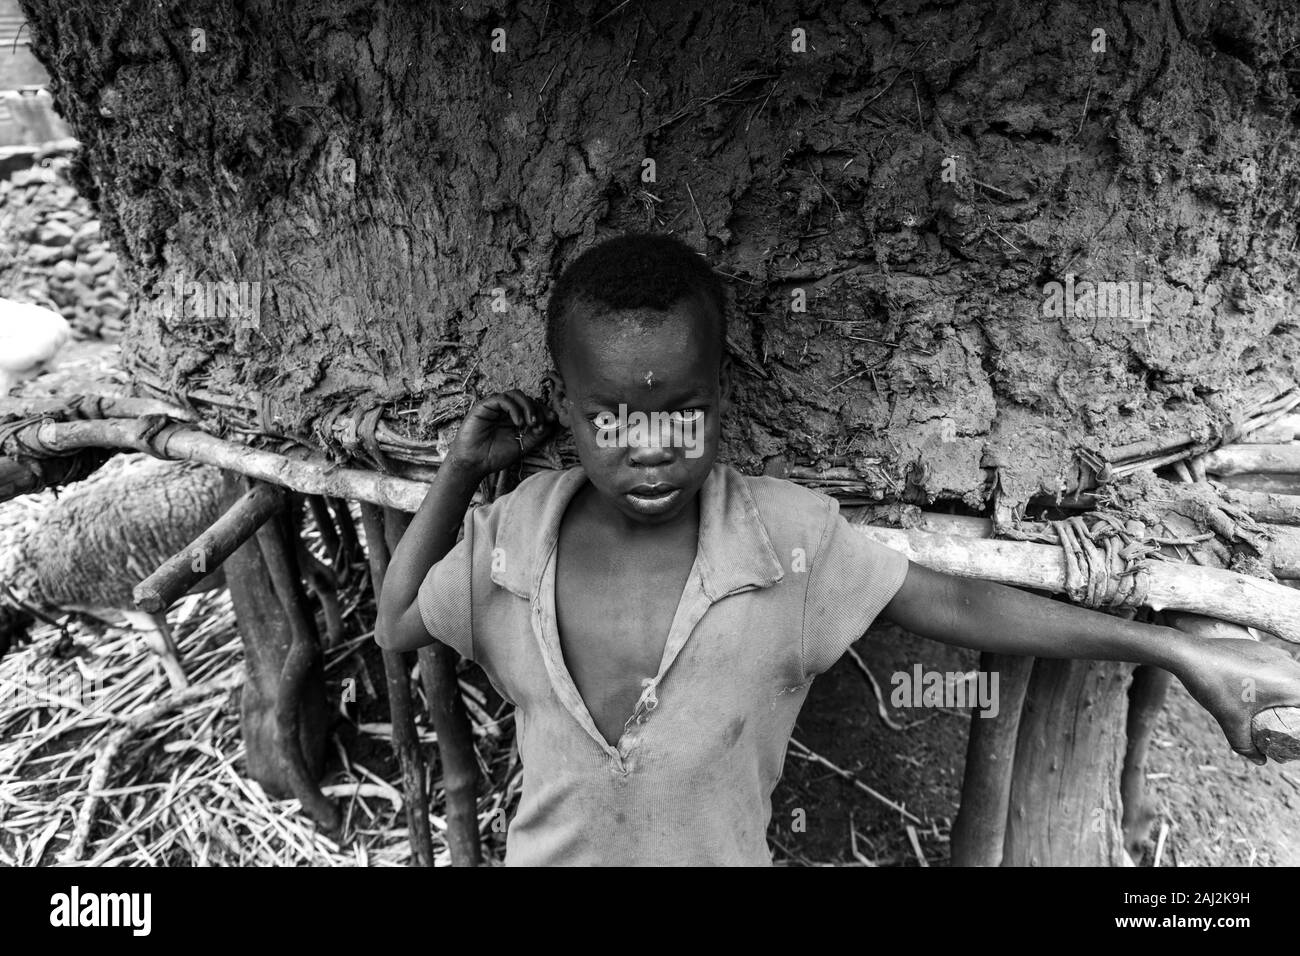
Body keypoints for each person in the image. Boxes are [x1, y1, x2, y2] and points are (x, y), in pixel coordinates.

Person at [377, 233, 1300, 865]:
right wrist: (460, 472)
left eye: (681, 413)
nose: (651, 447)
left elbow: (959, 603)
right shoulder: (511, 544)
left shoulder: (785, 544)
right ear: (567, 407)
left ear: (720, 401)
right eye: (614, 416)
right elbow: (397, 626)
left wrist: (1172, 649)